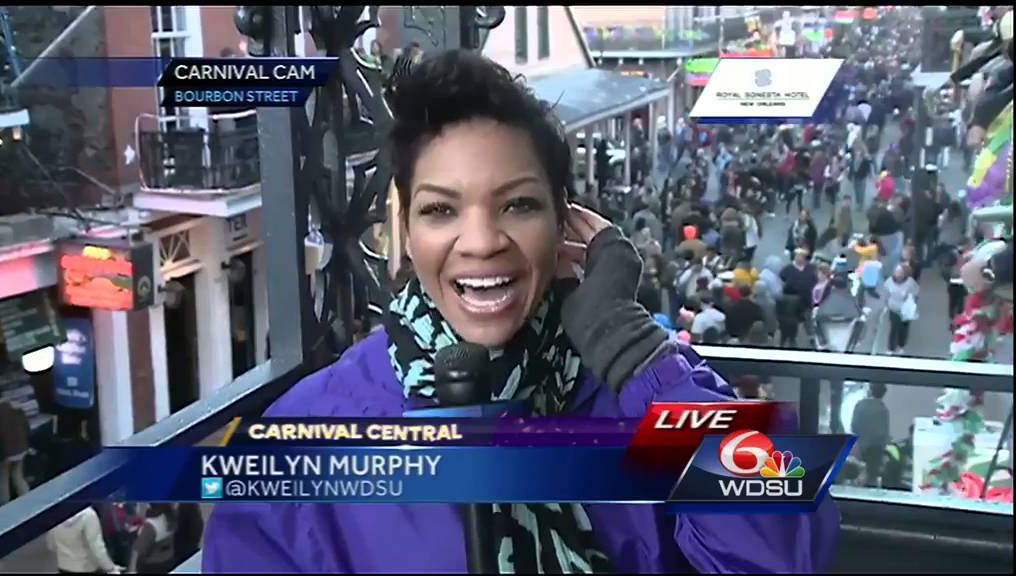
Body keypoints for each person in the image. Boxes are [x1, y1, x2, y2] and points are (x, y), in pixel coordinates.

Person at [202, 49, 838, 573]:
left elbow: (784, 546)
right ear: (405, 232)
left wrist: (628, 342)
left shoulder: (638, 388)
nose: (480, 242)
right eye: (440, 210)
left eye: (517, 205)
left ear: (565, 223)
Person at [48, 507, 124, 574]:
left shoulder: (54, 514)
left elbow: (51, 545)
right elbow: (97, 548)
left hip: (63, 566)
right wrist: (110, 568)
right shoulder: (88, 515)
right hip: (86, 568)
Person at [0, 387, 30, 506]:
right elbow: (26, 426)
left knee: (3, 481)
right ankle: (29, 504)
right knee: (18, 477)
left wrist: (0, 455)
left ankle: (5, 510)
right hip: (21, 449)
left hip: (5, 453)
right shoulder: (14, 407)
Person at [850, 383, 891, 488]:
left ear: (871, 390)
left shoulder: (860, 405)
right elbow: (884, 433)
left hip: (860, 445)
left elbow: (854, 425)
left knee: (855, 473)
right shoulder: (883, 410)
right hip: (875, 449)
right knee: (871, 478)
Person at [128, 503, 177, 574]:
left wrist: (131, 570)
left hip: (152, 565)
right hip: (169, 559)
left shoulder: (151, 526)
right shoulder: (171, 515)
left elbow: (138, 550)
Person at [884, 264, 919, 355]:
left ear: (905, 274)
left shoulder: (910, 283)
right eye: (896, 272)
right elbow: (886, 293)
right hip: (894, 309)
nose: (898, 274)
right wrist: (885, 304)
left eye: (900, 272)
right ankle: (891, 348)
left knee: (903, 329)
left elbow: (915, 295)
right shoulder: (889, 281)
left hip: (905, 311)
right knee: (893, 328)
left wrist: (911, 303)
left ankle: (901, 345)